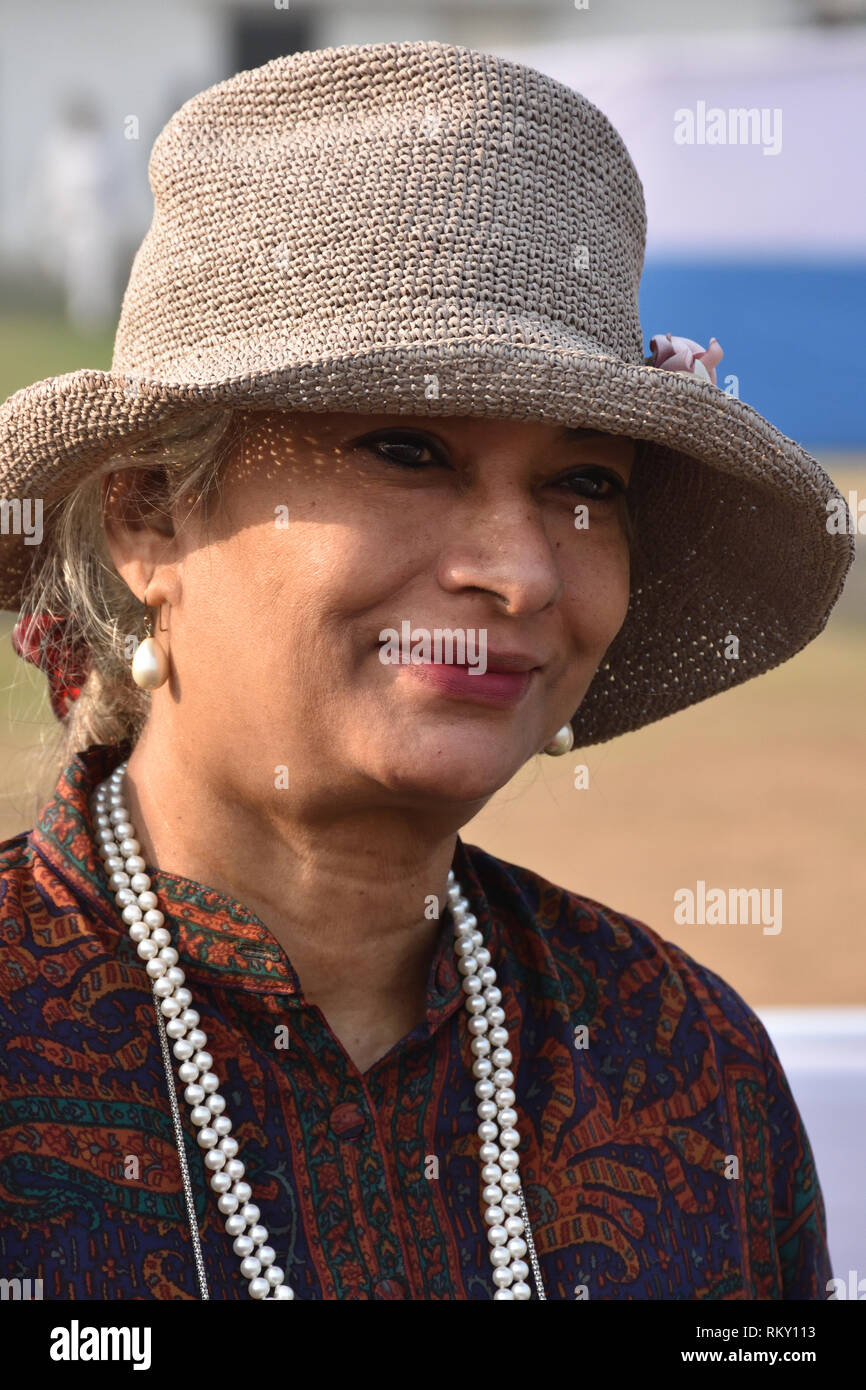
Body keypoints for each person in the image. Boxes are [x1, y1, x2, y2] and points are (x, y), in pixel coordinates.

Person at [0, 40, 852, 1301]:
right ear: (150, 517)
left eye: (583, 483)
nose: (519, 573)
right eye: (406, 450)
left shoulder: (686, 1069)